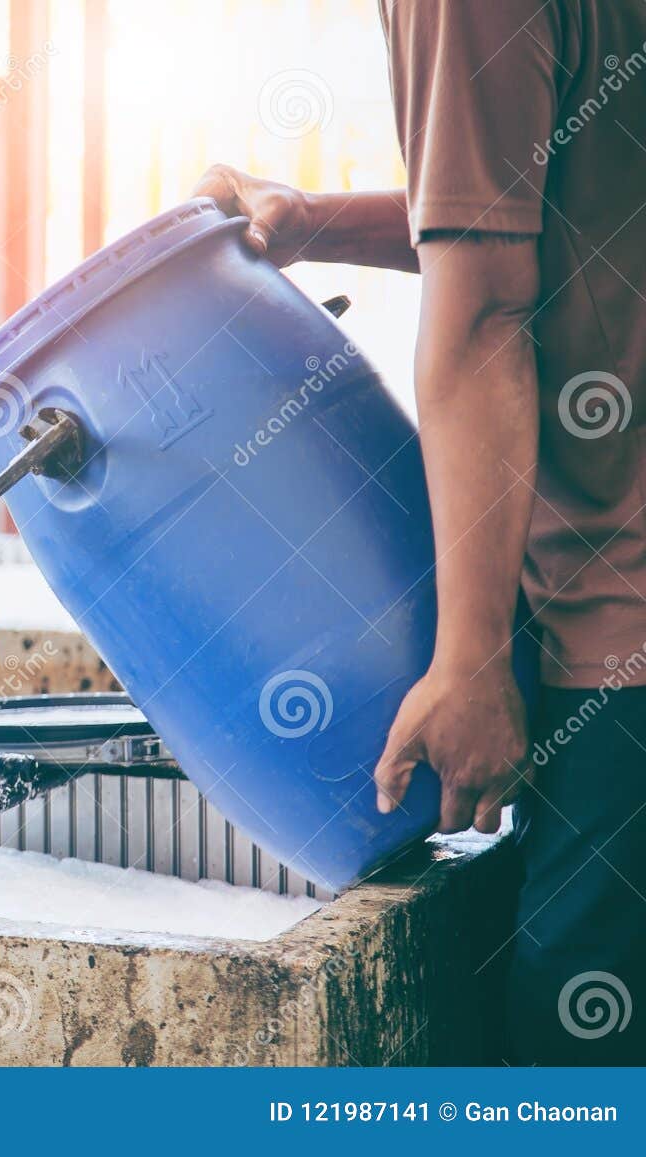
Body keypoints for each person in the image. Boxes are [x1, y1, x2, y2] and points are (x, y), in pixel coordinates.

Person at [198, 0, 645, 1065]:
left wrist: (472, 656)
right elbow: (573, 196)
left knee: (575, 1061)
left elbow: (487, 308)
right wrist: (315, 224)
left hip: (621, 634)